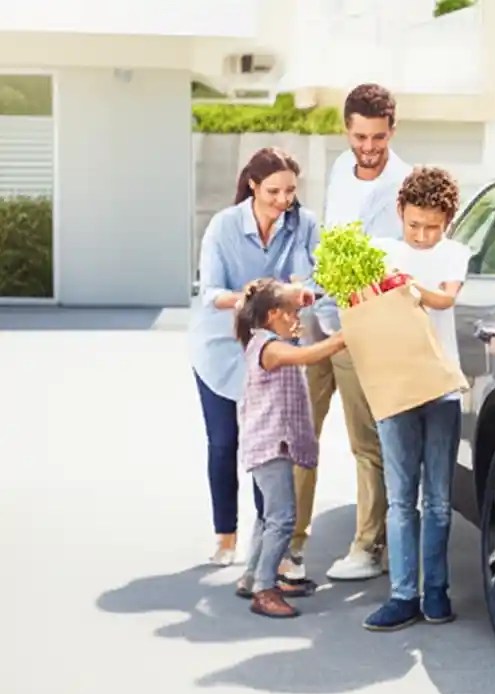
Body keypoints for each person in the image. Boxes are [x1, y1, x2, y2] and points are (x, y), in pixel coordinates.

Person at [289, 83, 414, 582]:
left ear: (392, 130)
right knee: (301, 435)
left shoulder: (403, 182)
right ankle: (290, 540)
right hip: (318, 317)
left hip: (361, 324)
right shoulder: (342, 169)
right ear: (347, 130)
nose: (368, 147)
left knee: (366, 442)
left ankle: (368, 545)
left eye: (378, 138)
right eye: (360, 136)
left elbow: (391, 258)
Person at [189, 148, 320, 566]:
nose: (284, 200)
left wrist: (306, 292)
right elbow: (210, 293)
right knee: (225, 444)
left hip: (271, 354)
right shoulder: (224, 227)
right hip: (221, 352)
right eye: (274, 191)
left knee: (271, 449)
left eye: (290, 191)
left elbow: (317, 278)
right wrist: (254, 298)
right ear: (252, 185)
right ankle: (226, 538)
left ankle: (271, 549)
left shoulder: (303, 224)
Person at [362, 166, 469, 631]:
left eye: (433, 226)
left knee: (439, 500)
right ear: (399, 213)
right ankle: (403, 594)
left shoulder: (454, 254)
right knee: (400, 498)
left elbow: (445, 301)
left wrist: (408, 287)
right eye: (414, 225)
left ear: (448, 220)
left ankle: (437, 591)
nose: (423, 235)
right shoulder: (382, 252)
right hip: (396, 387)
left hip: (441, 389)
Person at [231, 279, 347, 618]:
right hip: (270, 444)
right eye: (293, 313)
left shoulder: (267, 337)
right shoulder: (271, 347)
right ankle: (265, 589)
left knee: (268, 516)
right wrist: (344, 336)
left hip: (266, 443)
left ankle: (252, 576)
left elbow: (297, 336)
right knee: (283, 519)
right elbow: (308, 354)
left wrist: (311, 297)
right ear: (272, 315)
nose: (299, 318)